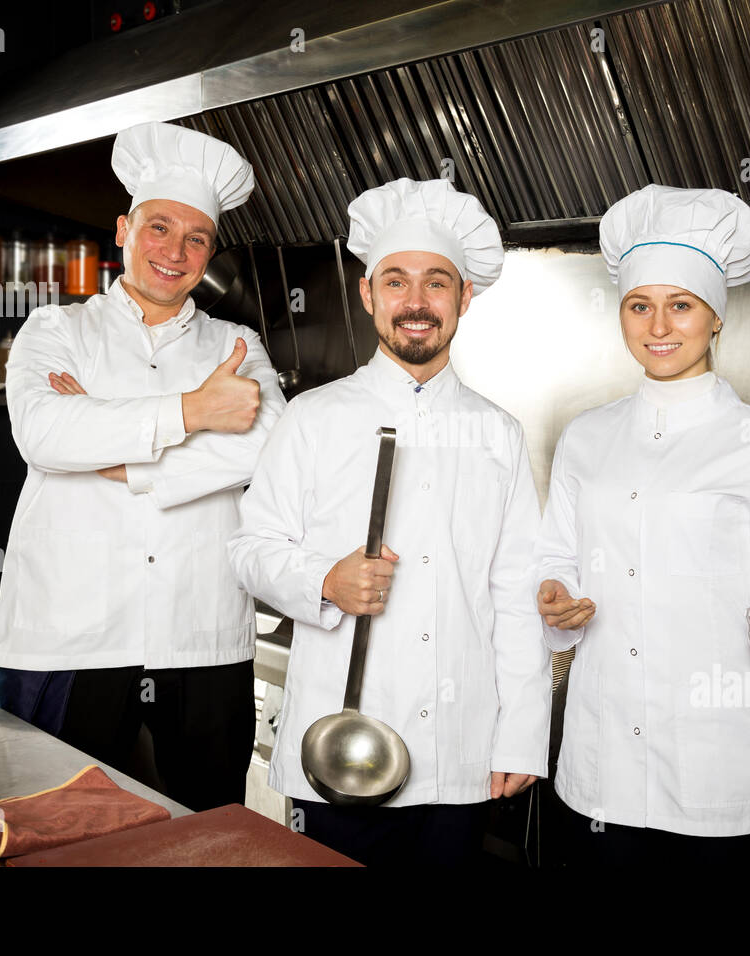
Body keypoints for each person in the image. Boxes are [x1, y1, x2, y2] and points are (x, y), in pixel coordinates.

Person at [228, 178, 551, 865]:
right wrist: (324, 580)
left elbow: (517, 592)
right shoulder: (313, 417)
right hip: (344, 743)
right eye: (396, 281)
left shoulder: (499, 433)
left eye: (437, 283)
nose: (416, 302)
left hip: (459, 749)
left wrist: (521, 733)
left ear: (464, 298)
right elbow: (250, 550)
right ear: (369, 293)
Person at [0, 121, 287, 812]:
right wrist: (196, 411)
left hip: (202, 636)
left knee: (211, 834)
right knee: (55, 833)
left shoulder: (236, 341)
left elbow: (272, 444)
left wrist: (129, 463)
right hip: (70, 636)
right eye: (158, 227)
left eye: (196, 238)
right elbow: (47, 433)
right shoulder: (55, 330)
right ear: (123, 228)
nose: (175, 251)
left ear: (212, 251)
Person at [533, 184, 750, 865]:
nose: (659, 326)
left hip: (715, 772)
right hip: (600, 765)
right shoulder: (586, 437)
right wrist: (553, 598)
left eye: (681, 305)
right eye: (640, 306)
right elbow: (554, 561)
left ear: (716, 316)